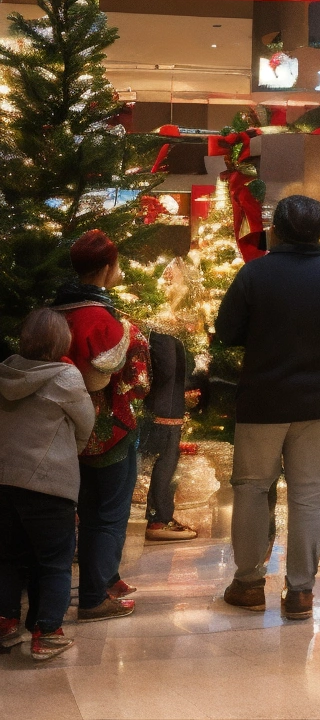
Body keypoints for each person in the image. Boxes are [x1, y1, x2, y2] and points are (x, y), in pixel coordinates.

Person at [214, 193, 320, 621]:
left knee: (251, 489)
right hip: (319, 401)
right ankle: (301, 592)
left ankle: (248, 584)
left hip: (262, 399)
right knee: (308, 494)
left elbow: (226, 331)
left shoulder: (255, 274)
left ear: (276, 230)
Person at [52, 231, 149, 620]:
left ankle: (106, 575)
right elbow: (135, 385)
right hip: (108, 431)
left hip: (63, 430)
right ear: (108, 268)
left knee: (87, 509)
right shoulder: (104, 320)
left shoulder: (55, 313)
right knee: (107, 512)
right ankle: (95, 596)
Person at [0, 309, 95, 661]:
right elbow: (86, 425)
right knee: (55, 561)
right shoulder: (66, 377)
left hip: (4, 481)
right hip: (49, 485)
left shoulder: (6, 370)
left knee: (7, 557)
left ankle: (5, 623)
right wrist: (70, 452)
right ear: (62, 341)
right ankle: (47, 632)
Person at [141, 321, 197, 542]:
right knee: (163, 462)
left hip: (168, 410)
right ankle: (157, 518)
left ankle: (160, 516)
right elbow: (166, 372)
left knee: (168, 461)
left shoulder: (172, 336)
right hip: (161, 411)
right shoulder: (161, 334)